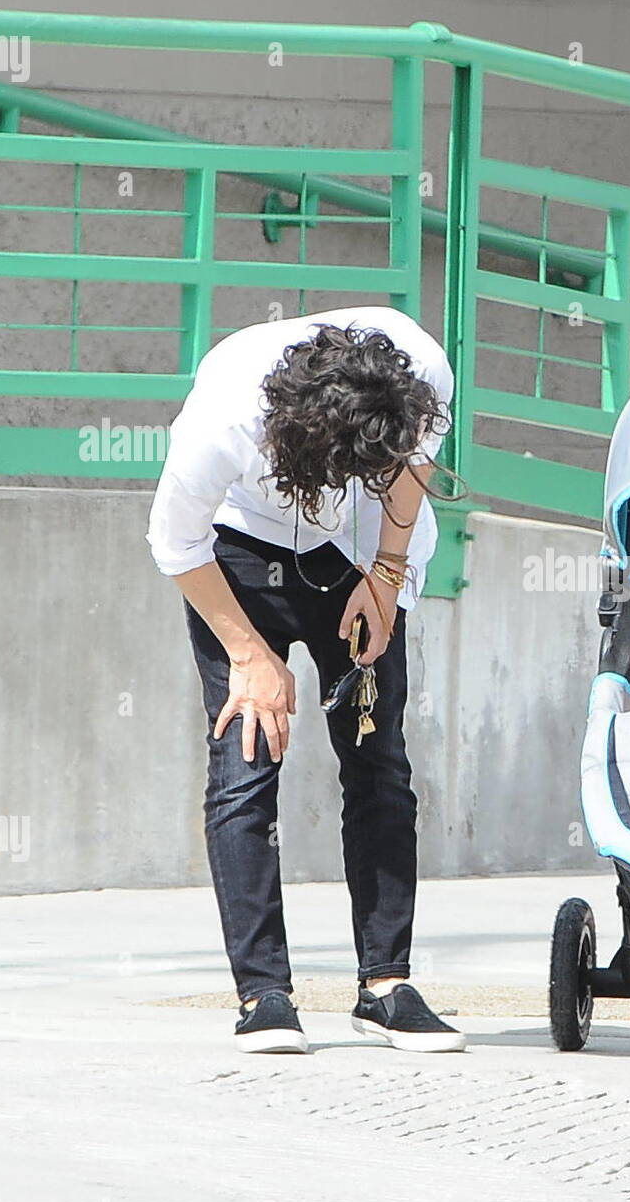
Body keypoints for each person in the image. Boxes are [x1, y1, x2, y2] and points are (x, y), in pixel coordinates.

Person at [146, 307, 468, 1055]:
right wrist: (251, 656)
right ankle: (264, 994)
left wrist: (386, 578)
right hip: (238, 554)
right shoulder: (225, 418)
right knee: (245, 759)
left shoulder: (417, 374)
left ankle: (384, 987)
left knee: (378, 757)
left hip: (356, 553)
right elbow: (174, 541)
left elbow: (412, 470)